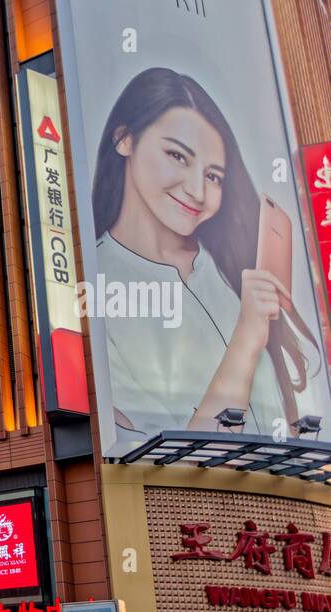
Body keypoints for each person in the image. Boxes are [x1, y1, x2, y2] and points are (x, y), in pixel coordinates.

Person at [90, 67, 323, 443]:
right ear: (125, 140)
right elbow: (189, 453)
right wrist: (247, 335)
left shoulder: (230, 267)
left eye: (213, 176)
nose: (198, 191)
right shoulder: (96, 288)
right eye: (177, 156)